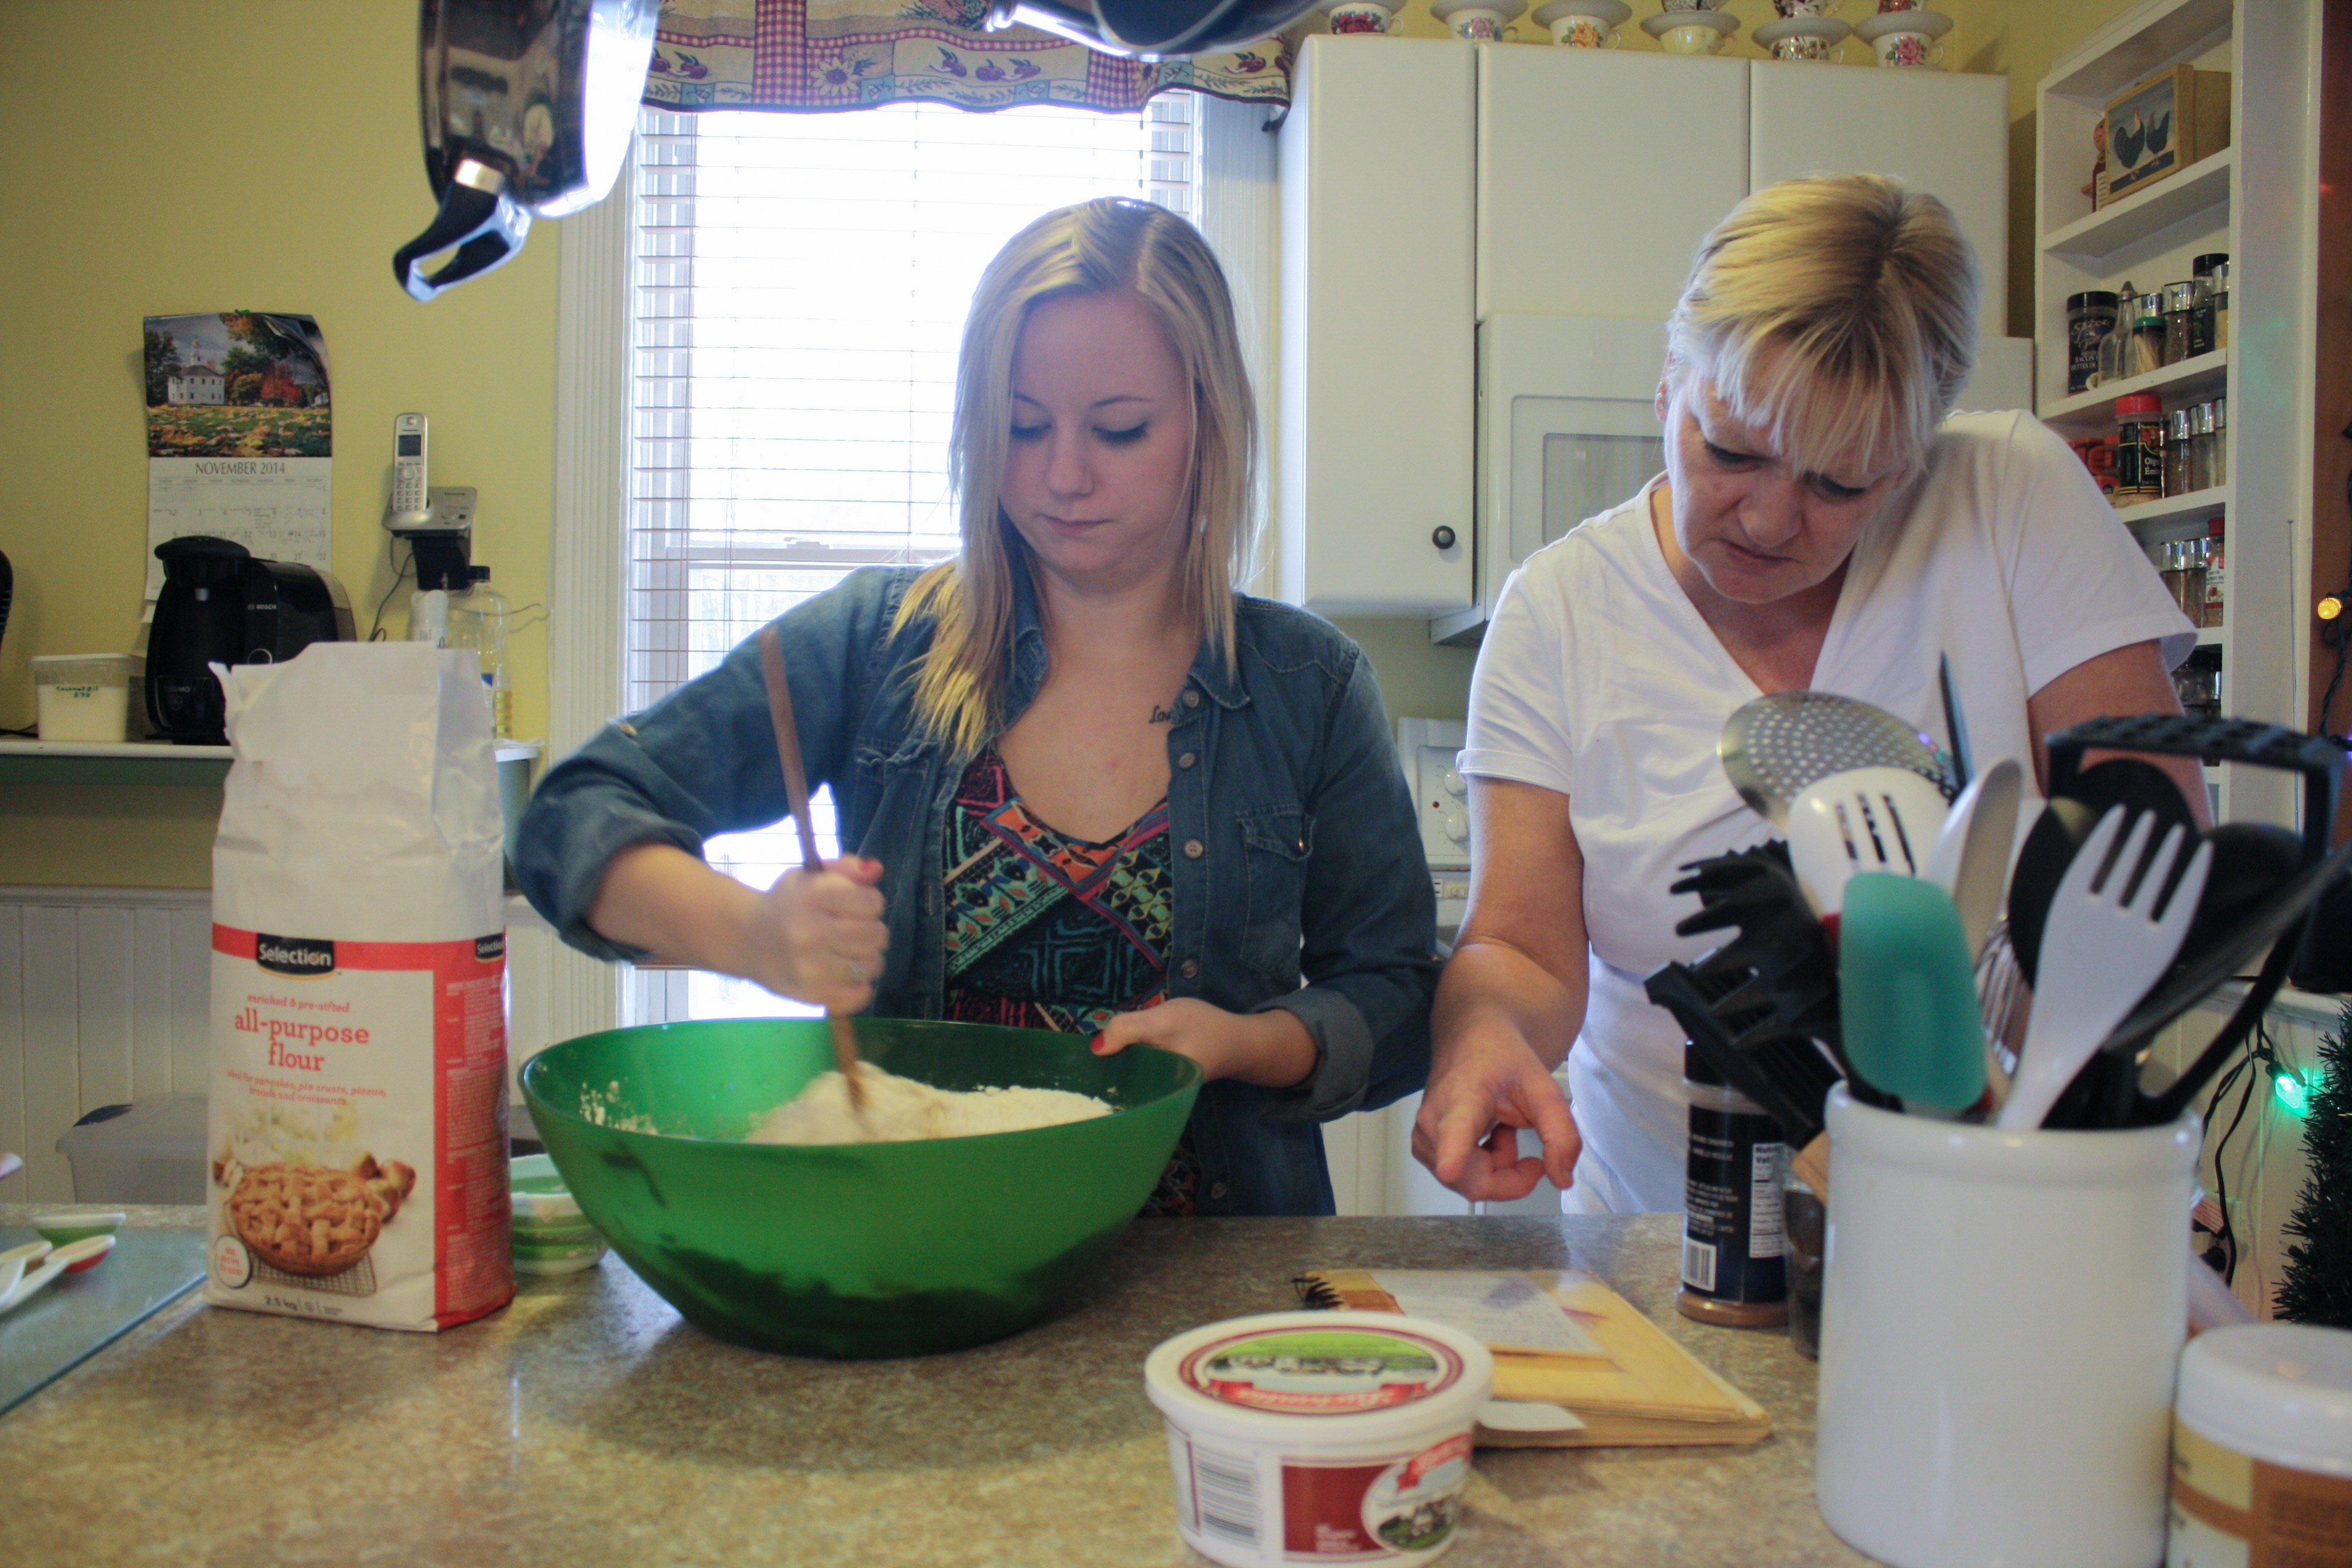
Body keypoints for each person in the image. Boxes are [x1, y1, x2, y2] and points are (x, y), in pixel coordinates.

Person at [517, 196, 1437, 1217]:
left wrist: (1249, 1042)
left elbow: (1400, 1001)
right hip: (913, 1256)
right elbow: (569, 821)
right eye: (1021, 426)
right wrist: (754, 936)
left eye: (1120, 430)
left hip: (1213, 1282)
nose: (1063, 475)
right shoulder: (876, 644)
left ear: (1209, 422)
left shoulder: (1311, 687)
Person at [1414, 175, 2201, 1213]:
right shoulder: (1558, 611)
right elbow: (1520, 947)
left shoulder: (2010, 495)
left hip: (2002, 1212)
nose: (1770, 521)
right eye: (1732, 451)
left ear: (1915, 455)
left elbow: (2134, 854)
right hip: (1660, 1238)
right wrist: (1483, 1036)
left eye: (1840, 483)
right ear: (1668, 384)